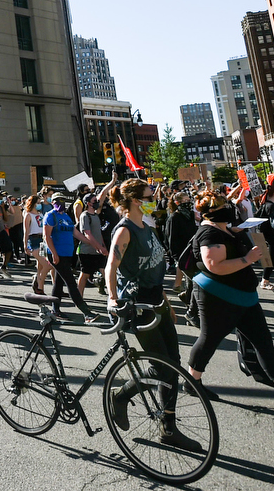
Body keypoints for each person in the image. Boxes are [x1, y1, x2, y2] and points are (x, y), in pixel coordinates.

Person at [185, 190, 274, 411]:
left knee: (264, 343)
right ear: (211, 212)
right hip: (218, 297)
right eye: (223, 206)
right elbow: (214, 266)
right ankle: (192, 381)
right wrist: (247, 259)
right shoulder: (209, 234)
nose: (229, 209)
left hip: (245, 298)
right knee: (209, 340)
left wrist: (238, 234)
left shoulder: (225, 229)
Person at [104, 179, 201, 450]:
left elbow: (154, 269)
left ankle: (168, 426)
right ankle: (121, 396)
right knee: (161, 366)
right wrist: (112, 298)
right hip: (138, 306)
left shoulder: (147, 227)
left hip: (157, 301)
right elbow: (111, 265)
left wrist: (167, 303)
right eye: (149, 197)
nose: (153, 200)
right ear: (136, 201)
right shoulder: (125, 230)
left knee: (173, 363)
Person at [43, 192, 99, 324]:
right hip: (57, 254)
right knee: (70, 281)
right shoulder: (50, 215)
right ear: (52, 202)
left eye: (62, 200)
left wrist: (93, 243)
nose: (60, 203)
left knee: (59, 282)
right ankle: (86, 312)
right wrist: (54, 253)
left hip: (67, 254)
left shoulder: (66, 217)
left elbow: (76, 233)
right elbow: (46, 236)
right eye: (57, 200)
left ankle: (55, 310)